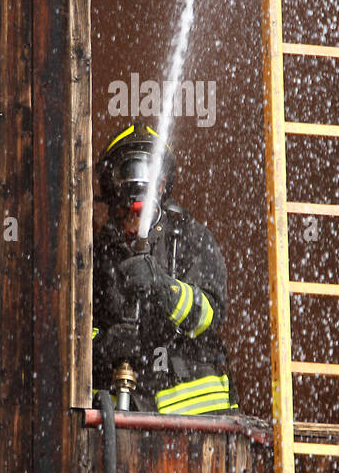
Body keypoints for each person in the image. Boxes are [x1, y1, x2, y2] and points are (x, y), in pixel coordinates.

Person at [92, 123, 236, 416]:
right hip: (119, 416)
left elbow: (207, 314)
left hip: (197, 426)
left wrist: (160, 285)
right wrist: (104, 345)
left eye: (149, 170)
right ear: (111, 186)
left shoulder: (191, 240)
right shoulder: (95, 255)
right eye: (127, 170)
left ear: (163, 184)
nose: (138, 180)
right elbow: (72, 328)